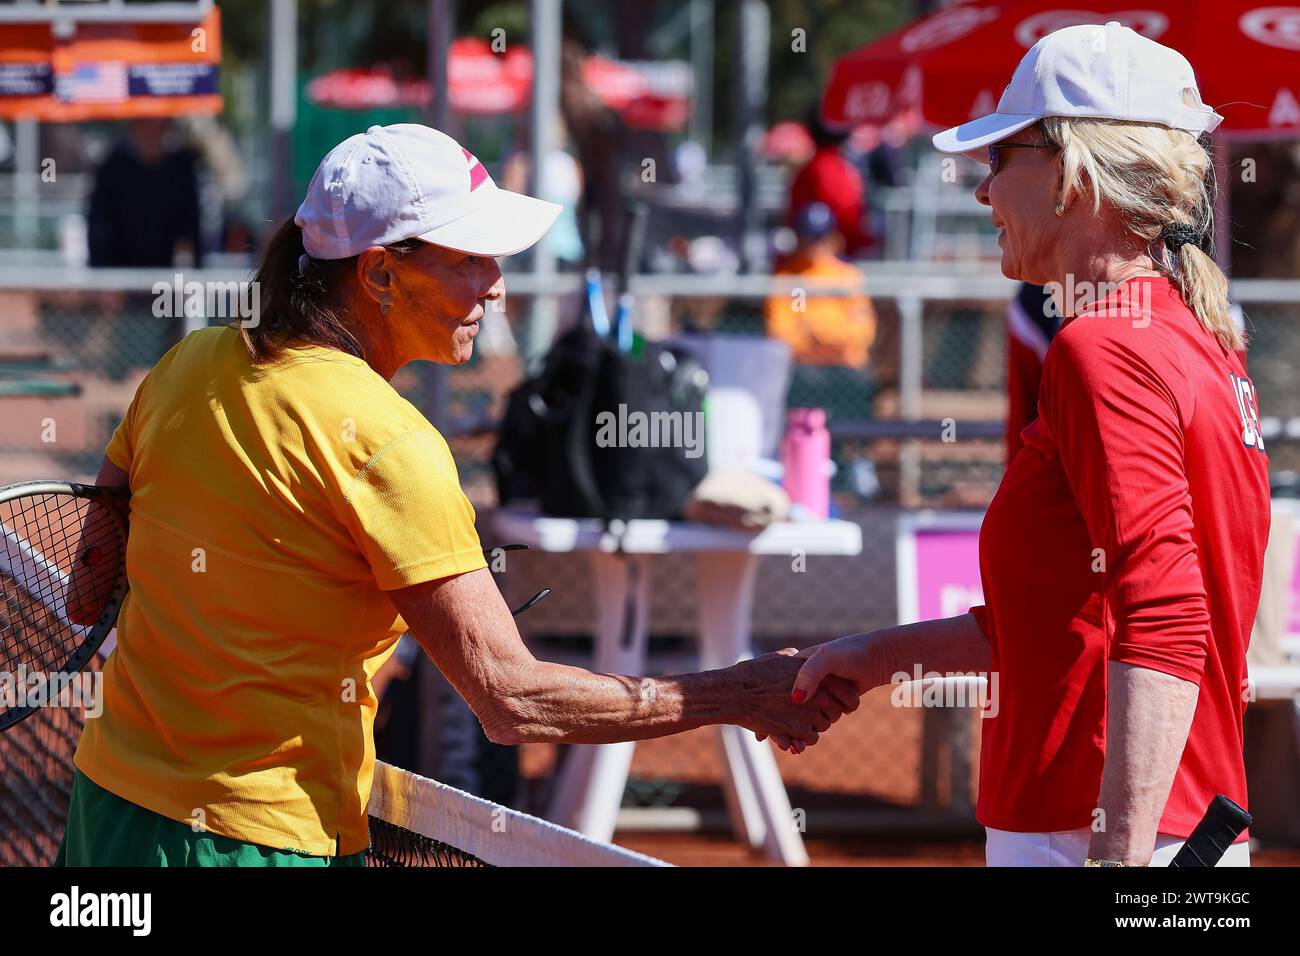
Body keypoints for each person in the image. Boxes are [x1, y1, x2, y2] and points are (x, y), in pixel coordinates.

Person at [57, 124, 858, 867]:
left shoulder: (187, 363)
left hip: (106, 809)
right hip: (255, 840)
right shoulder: (391, 443)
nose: (496, 287)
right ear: (379, 272)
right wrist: (735, 693)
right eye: (469, 259)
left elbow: (90, 590)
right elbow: (512, 701)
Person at [786, 23, 1270, 866]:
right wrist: (876, 657)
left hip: (1100, 828)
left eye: (997, 161)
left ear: (1070, 173)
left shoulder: (1105, 349)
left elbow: (1163, 611)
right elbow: (1068, 622)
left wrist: (1118, 860)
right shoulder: (1193, 338)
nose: (982, 194)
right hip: (1167, 824)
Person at [765, 201, 877, 421]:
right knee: (801, 384)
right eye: (809, 238)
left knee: (860, 384)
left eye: (820, 238)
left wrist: (818, 334)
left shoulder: (848, 276)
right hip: (804, 370)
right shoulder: (788, 278)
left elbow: (863, 334)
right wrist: (832, 340)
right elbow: (783, 336)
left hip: (846, 366)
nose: (815, 246)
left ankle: (856, 454)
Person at [786, 111, 875, 257]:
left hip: (818, 257)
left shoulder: (808, 170)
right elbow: (849, 222)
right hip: (832, 258)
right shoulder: (837, 170)